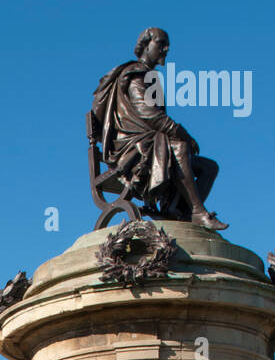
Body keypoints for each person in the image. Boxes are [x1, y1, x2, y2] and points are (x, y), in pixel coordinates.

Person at [92, 27, 227, 230]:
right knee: (180, 147)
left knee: (209, 168)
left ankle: (182, 212)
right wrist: (184, 134)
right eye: (161, 44)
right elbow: (151, 116)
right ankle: (199, 212)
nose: (166, 49)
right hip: (131, 149)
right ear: (146, 45)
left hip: (149, 144)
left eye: (167, 45)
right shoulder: (135, 76)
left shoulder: (149, 77)